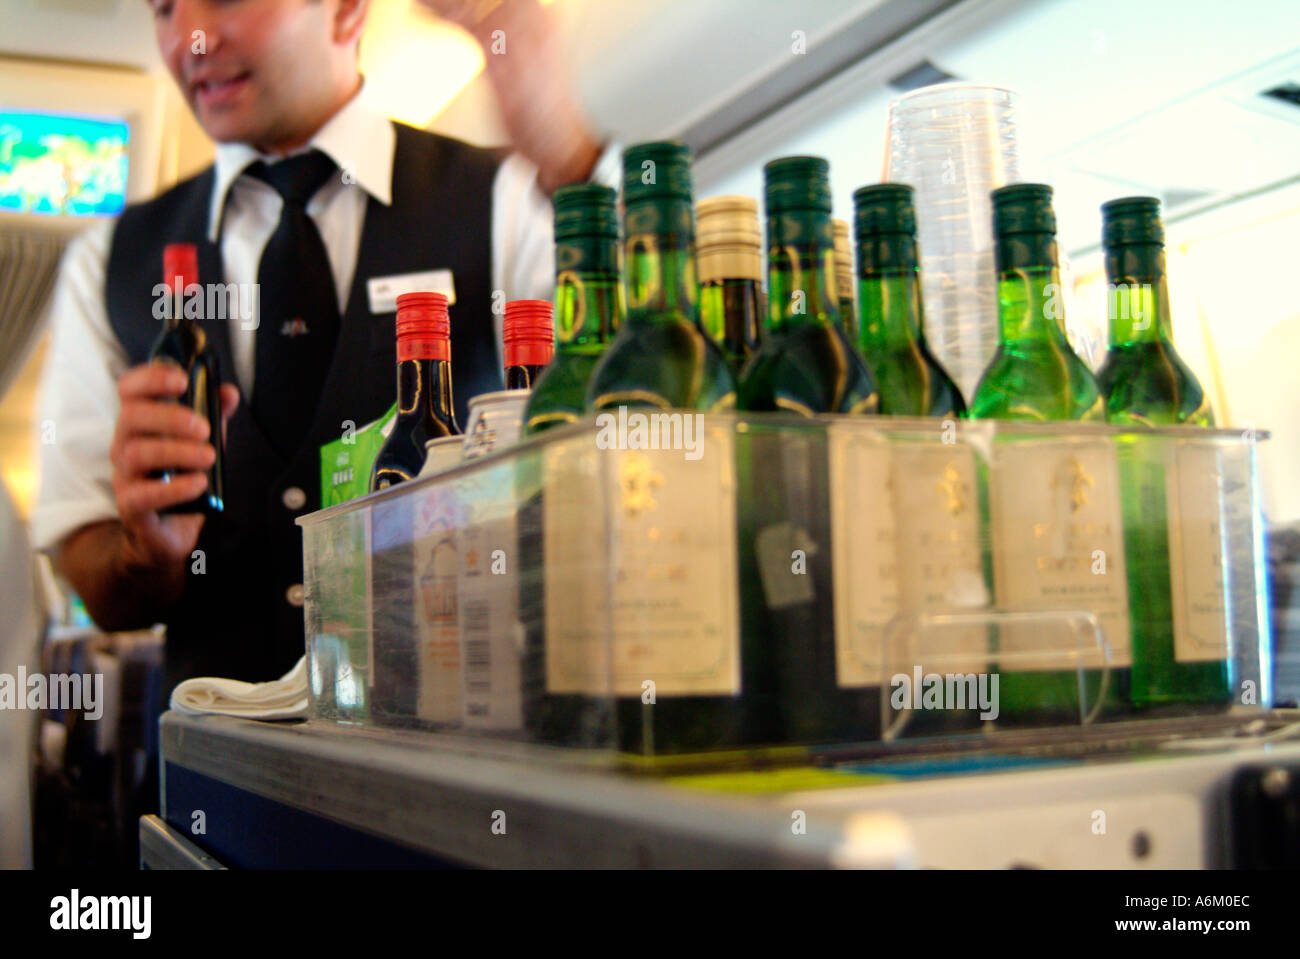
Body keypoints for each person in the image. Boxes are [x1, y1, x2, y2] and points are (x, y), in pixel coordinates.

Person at [32, 0, 618, 697]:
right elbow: (93, 568)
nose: (189, 40)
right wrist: (145, 553)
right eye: (163, 9)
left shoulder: (506, 198)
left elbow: (634, 391)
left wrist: (570, 159)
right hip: (213, 775)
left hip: (455, 750)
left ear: (344, 10)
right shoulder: (108, 260)